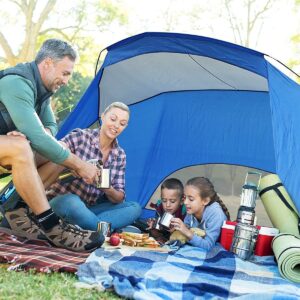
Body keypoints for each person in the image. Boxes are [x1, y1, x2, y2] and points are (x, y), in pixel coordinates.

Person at [0, 39, 104, 252]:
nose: (66, 80)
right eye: (65, 73)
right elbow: (38, 137)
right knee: (22, 147)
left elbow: (50, 128)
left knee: (58, 151)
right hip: (8, 148)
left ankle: (15, 211)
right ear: (47, 63)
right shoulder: (16, 82)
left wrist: (35, 136)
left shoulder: (43, 93)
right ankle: (51, 225)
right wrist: (80, 166)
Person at [45, 102, 141, 232]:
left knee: (135, 207)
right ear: (103, 117)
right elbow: (57, 149)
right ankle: (105, 231)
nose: (116, 125)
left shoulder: (120, 155)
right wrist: (77, 166)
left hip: (89, 209)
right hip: (61, 202)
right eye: (113, 119)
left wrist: (104, 185)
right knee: (73, 201)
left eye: (122, 123)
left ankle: (85, 227)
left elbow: (119, 198)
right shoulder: (81, 136)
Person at [171, 177, 230, 250]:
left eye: (191, 199)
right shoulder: (191, 210)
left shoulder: (216, 214)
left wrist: (186, 231)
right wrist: (177, 229)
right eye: (185, 197)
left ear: (205, 201)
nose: (185, 202)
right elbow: (186, 230)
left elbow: (208, 245)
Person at [146, 178, 185, 243]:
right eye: (164, 200)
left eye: (172, 201)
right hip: (164, 232)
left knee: (180, 236)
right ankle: (161, 240)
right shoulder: (160, 207)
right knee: (151, 229)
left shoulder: (184, 211)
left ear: (182, 200)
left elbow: (190, 230)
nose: (167, 205)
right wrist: (153, 224)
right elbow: (158, 226)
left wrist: (177, 229)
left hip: (179, 233)